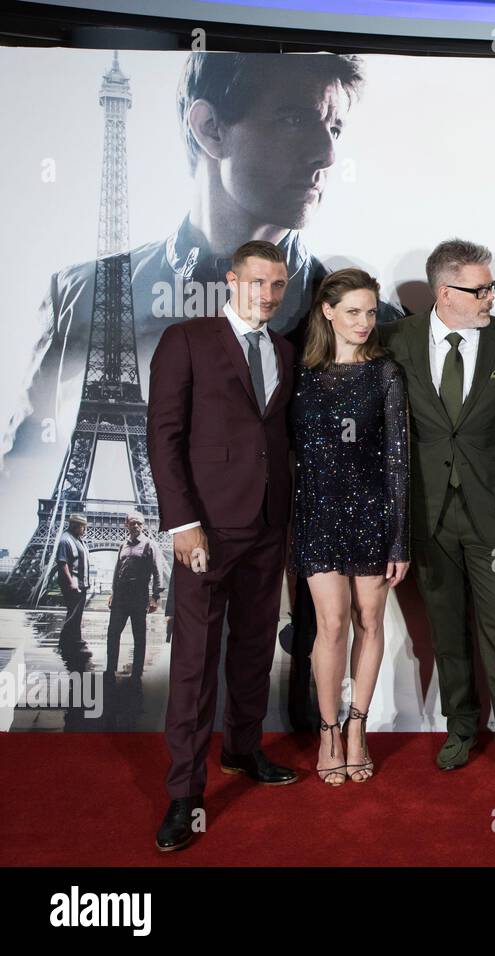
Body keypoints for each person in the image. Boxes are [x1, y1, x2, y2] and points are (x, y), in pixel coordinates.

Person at [5, 51, 400, 731]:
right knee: (184, 670)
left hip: (291, 558)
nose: (326, 154)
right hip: (186, 543)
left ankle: (255, 754)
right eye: (292, 119)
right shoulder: (87, 294)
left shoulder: (357, 316)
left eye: (334, 128)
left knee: (258, 672)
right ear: (209, 127)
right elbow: (23, 464)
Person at [378, 239, 495, 789]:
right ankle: (460, 728)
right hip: (427, 514)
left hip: (492, 515)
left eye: (492, 288)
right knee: (448, 630)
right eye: (479, 290)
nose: (490, 298)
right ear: (444, 293)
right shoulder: (397, 340)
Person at [147, 240, 300, 852]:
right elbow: (164, 435)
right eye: (257, 282)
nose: (267, 295)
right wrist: (183, 524)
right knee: (194, 658)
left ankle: (243, 749)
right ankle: (184, 793)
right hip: (206, 528)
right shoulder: (187, 339)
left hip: (268, 523)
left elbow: (276, 436)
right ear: (232, 281)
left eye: (278, 284)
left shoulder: (285, 350)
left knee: (256, 647)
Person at [290, 268, 410, 785]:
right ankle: (327, 731)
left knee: (369, 619)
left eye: (371, 311)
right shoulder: (301, 371)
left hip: (372, 512)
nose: (364, 322)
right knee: (332, 623)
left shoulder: (385, 373)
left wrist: (400, 537)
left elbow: (399, 460)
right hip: (316, 512)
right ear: (328, 311)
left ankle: (357, 728)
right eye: (354, 312)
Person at [105, 512, 163, 681]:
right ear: (126, 525)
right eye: (132, 523)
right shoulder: (122, 545)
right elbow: (117, 572)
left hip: (139, 595)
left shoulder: (150, 545)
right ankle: (110, 670)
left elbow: (157, 571)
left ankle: (136, 673)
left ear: (143, 526)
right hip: (121, 596)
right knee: (113, 633)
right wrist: (113, 593)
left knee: (139, 637)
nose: (136, 526)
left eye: (139, 523)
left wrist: (155, 597)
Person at [55, 514, 91, 645]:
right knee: (73, 613)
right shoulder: (66, 540)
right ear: (76, 526)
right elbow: (62, 562)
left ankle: (75, 638)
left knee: (76, 613)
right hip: (74, 584)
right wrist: (70, 582)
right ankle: (65, 641)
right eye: (84, 527)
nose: (85, 530)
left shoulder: (77, 539)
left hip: (81, 583)